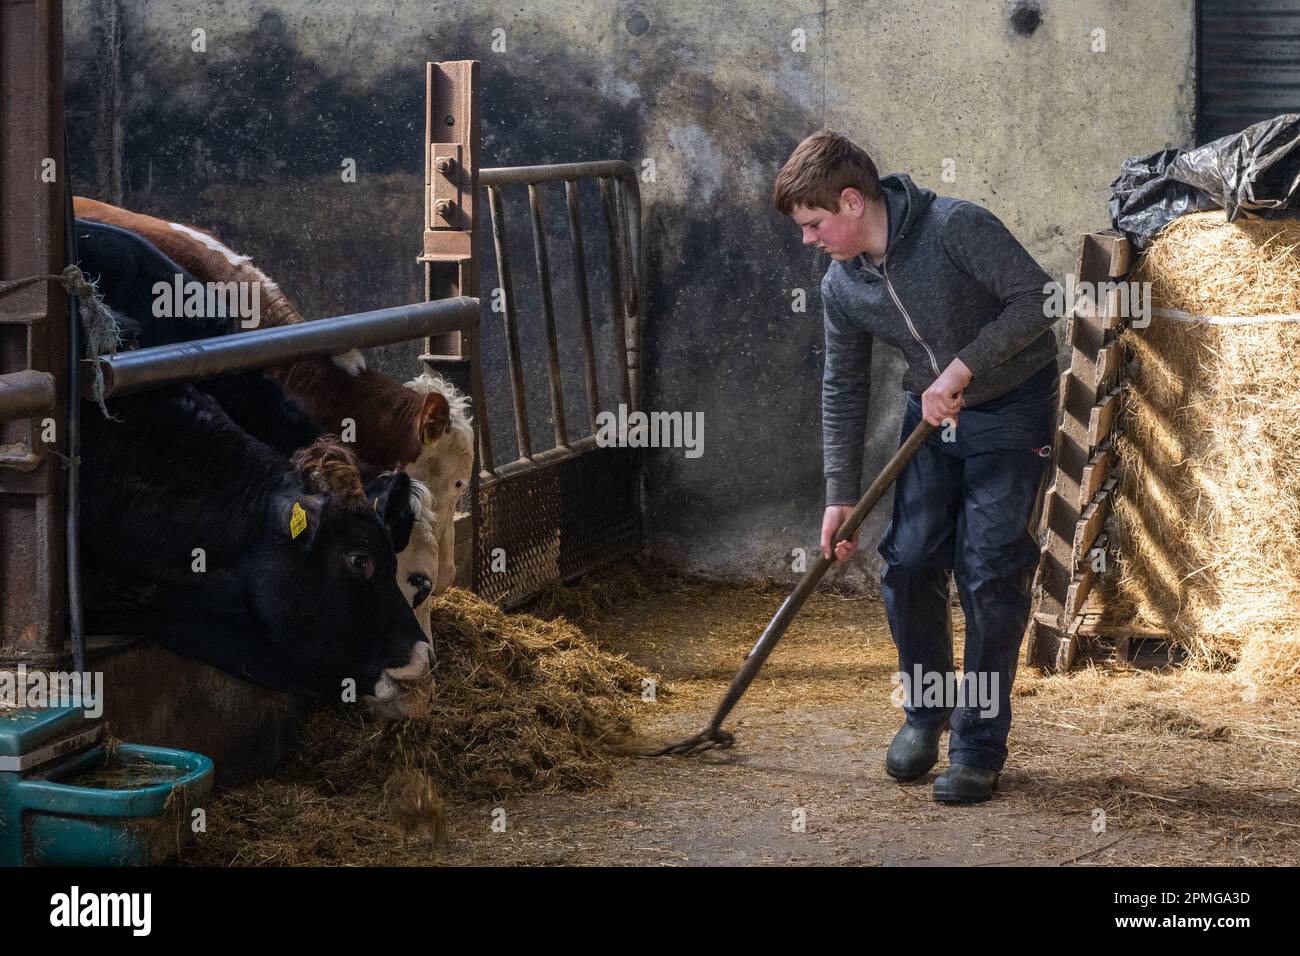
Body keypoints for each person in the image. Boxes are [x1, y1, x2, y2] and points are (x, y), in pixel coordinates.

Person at [772, 130, 1060, 803]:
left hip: (1010, 410)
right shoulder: (842, 285)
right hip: (931, 419)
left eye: (815, 226)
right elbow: (842, 386)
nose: (810, 240)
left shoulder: (957, 228)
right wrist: (839, 495)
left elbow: (1041, 301)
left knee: (990, 571)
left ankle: (978, 745)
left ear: (850, 200)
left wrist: (963, 367)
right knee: (906, 561)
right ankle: (924, 713)